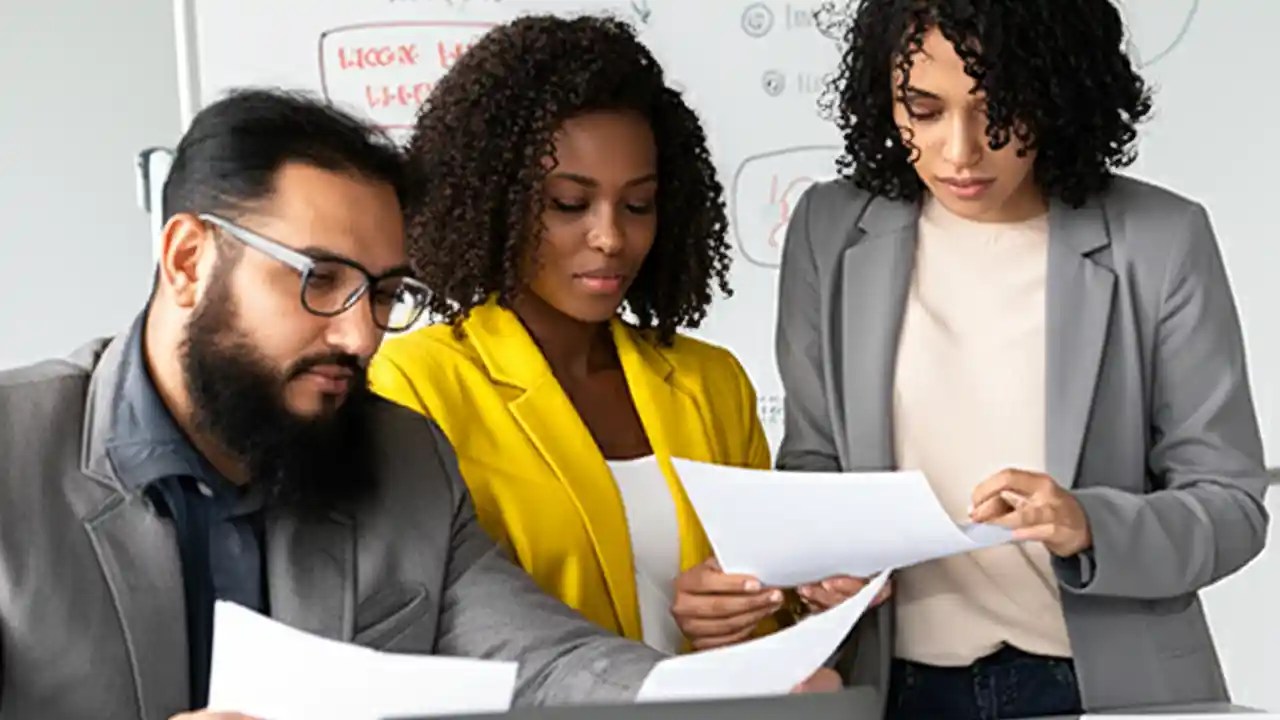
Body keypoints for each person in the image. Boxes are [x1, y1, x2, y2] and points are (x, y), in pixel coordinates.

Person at [0, 88, 837, 720]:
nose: (362, 337)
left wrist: (739, 689)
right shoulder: (13, 456)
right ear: (187, 259)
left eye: (384, 293)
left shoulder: (404, 457)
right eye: (318, 281)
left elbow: (541, 661)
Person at [768, 0, 1271, 718]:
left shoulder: (1160, 240)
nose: (961, 151)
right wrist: (824, 563)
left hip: (1103, 686)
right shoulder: (830, 228)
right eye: (924, 109)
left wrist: (1088, 524)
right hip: (891, 685)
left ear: (1060, 91)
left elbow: (1230, 507)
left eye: (998, 109)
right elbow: (814, 464)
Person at [368, 14, 790, 655]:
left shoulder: (713, 383)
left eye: (638, 204)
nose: (611, 237)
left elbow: (777, 624)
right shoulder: (416, 385)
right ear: (494, 203)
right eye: (568, 204)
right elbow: (410, 628)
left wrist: (754, 612)